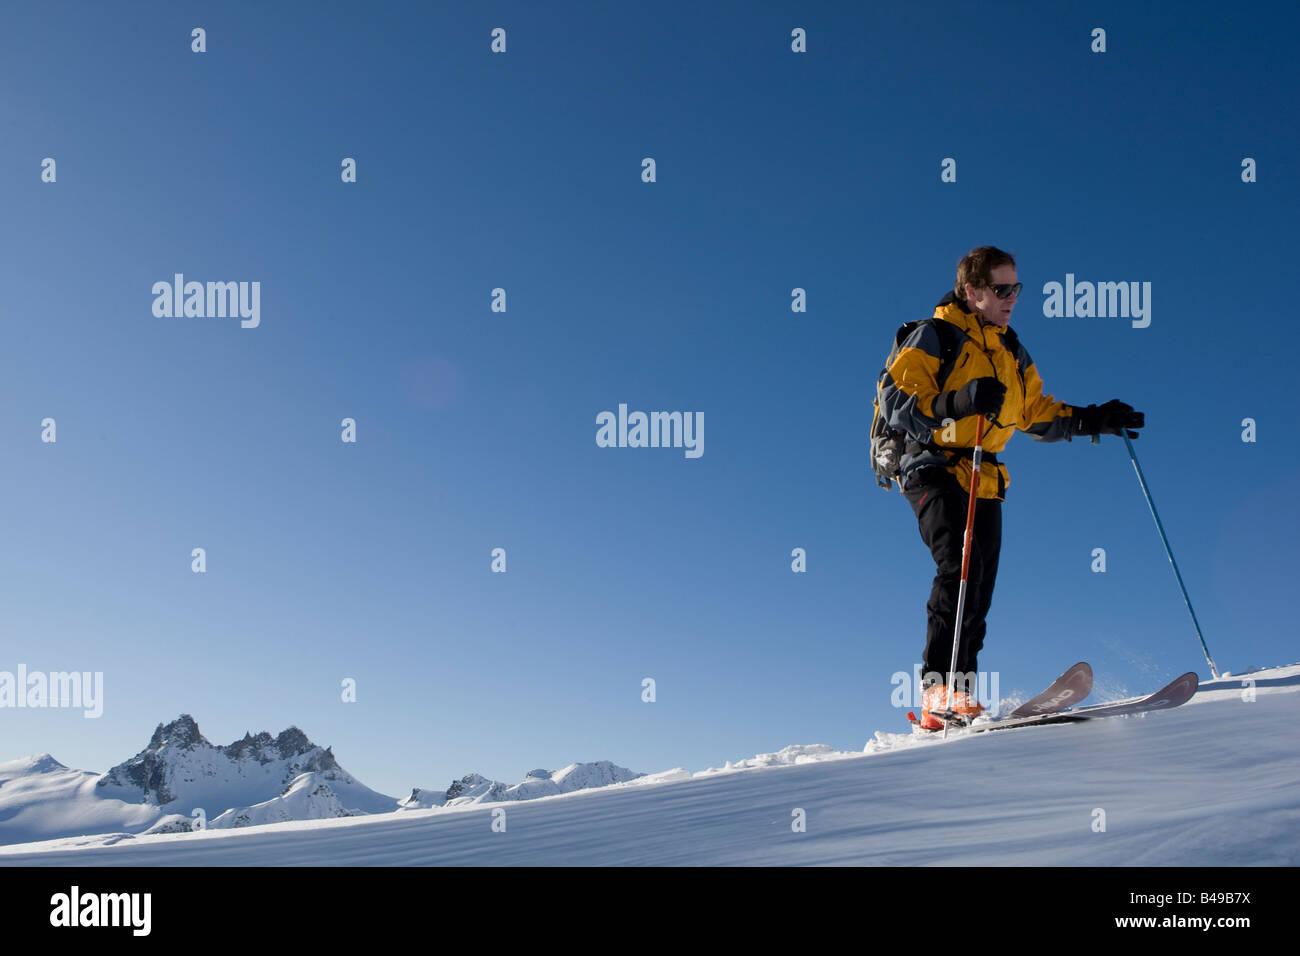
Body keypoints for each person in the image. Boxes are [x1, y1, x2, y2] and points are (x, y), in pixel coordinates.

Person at [879, 246, 1144, 730]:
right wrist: (959, 400)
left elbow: (1035, 413)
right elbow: (899, 402)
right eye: (1002, 289)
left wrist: (1093, 419)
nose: (1012, 298)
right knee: (959, 566)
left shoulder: (1010, 351)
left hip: (985, 475)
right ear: (972, 291)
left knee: (978, 584)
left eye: (1016, 288)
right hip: (931, 465)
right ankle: (941, 690)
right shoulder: (934, 336)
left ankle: (956, 701)